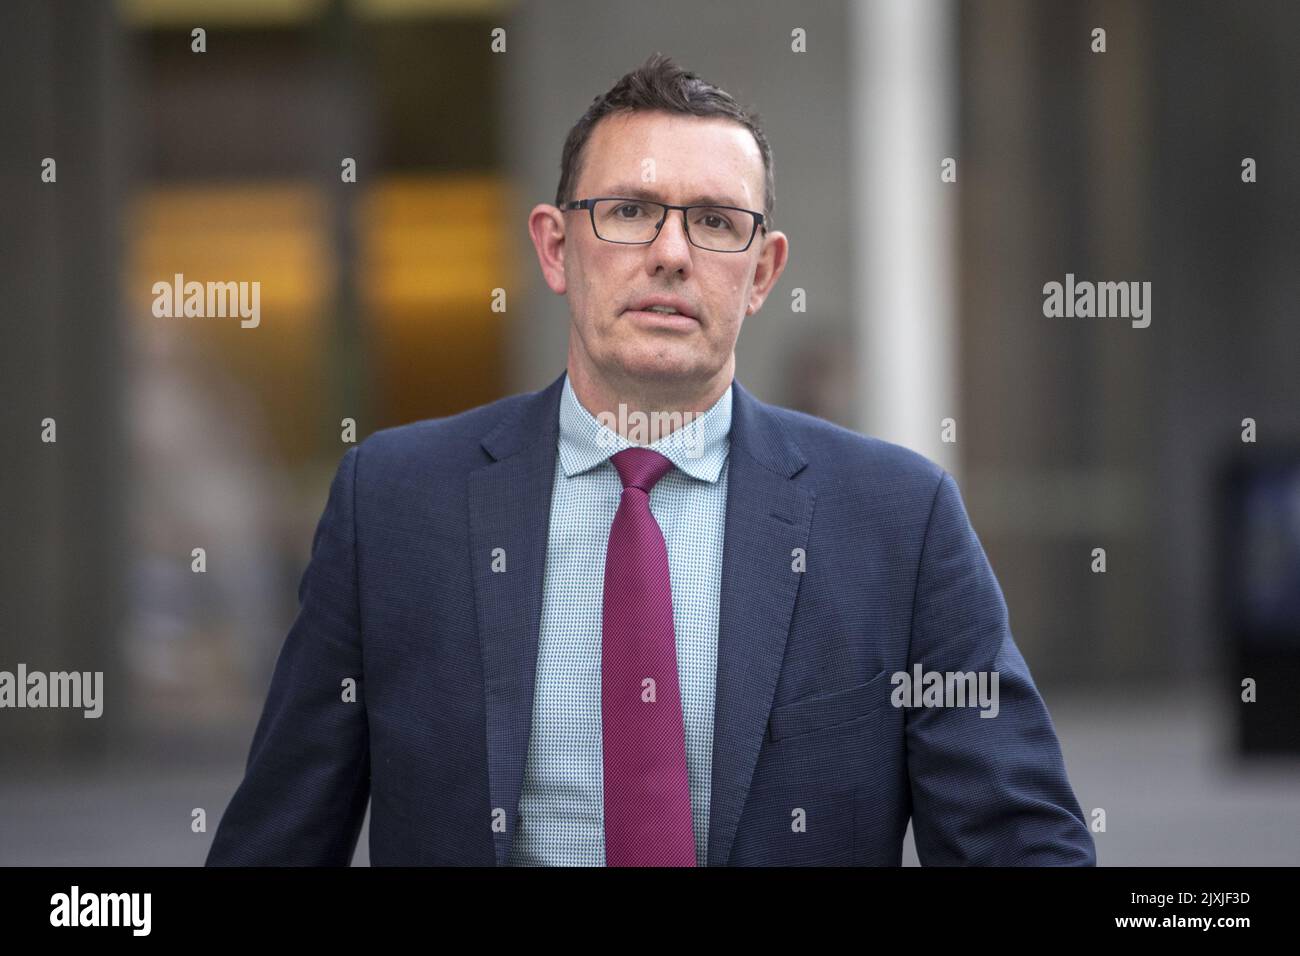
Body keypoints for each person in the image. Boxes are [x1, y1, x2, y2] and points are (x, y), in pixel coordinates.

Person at [206, 53, 1095, 867]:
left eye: (715, 222)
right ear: (557, 247)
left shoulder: (899, 522)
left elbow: (1020, 845)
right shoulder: (395, 507)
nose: (671, 253)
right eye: (629, 212)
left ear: (760, 272)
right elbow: (278, 841)